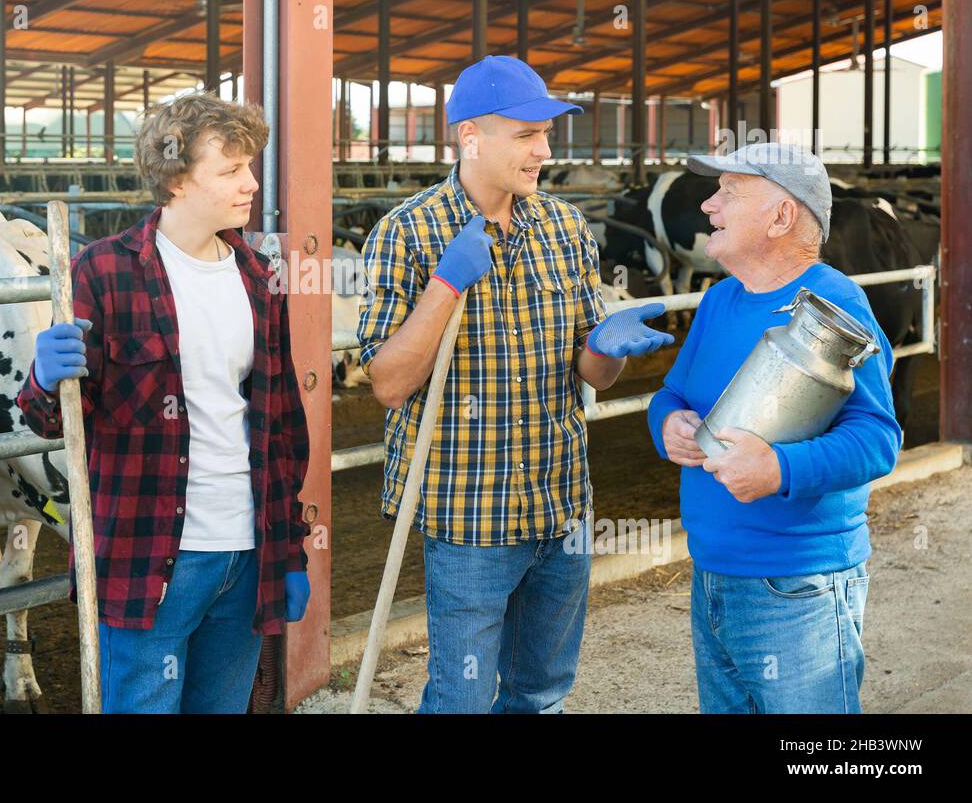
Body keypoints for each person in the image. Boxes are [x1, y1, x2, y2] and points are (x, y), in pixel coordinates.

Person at [358, 55, 673, 713]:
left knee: (541, 693)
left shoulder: (564, 228)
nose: (544, 150)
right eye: (527, 134)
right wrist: (445, 285)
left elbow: (591, 373)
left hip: (561, 503)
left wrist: (607, 348)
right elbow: (388, 384)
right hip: (471, 511)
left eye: (547, 133)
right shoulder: (408, 233)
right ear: (469, 136)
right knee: (462, 699)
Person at [18, 92, 312, 714]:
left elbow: (282, 426)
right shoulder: (101, 272)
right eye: (231, 170)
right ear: (177, 179)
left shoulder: (259, 277)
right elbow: (50, 420)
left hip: (245, 551)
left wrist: (288, 549)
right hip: (147, 556)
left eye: (250, 167)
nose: (251, 183)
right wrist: (45, 378)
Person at [647, 142, 902, 714]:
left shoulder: (832, 304)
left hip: (797, 582)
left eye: (729, 193)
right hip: (713, 570)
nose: (709, 206)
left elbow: (879, 439)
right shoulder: (720, 299)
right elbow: (672, 393)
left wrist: (779, 468)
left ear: (781, 216)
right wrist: (670, 424)